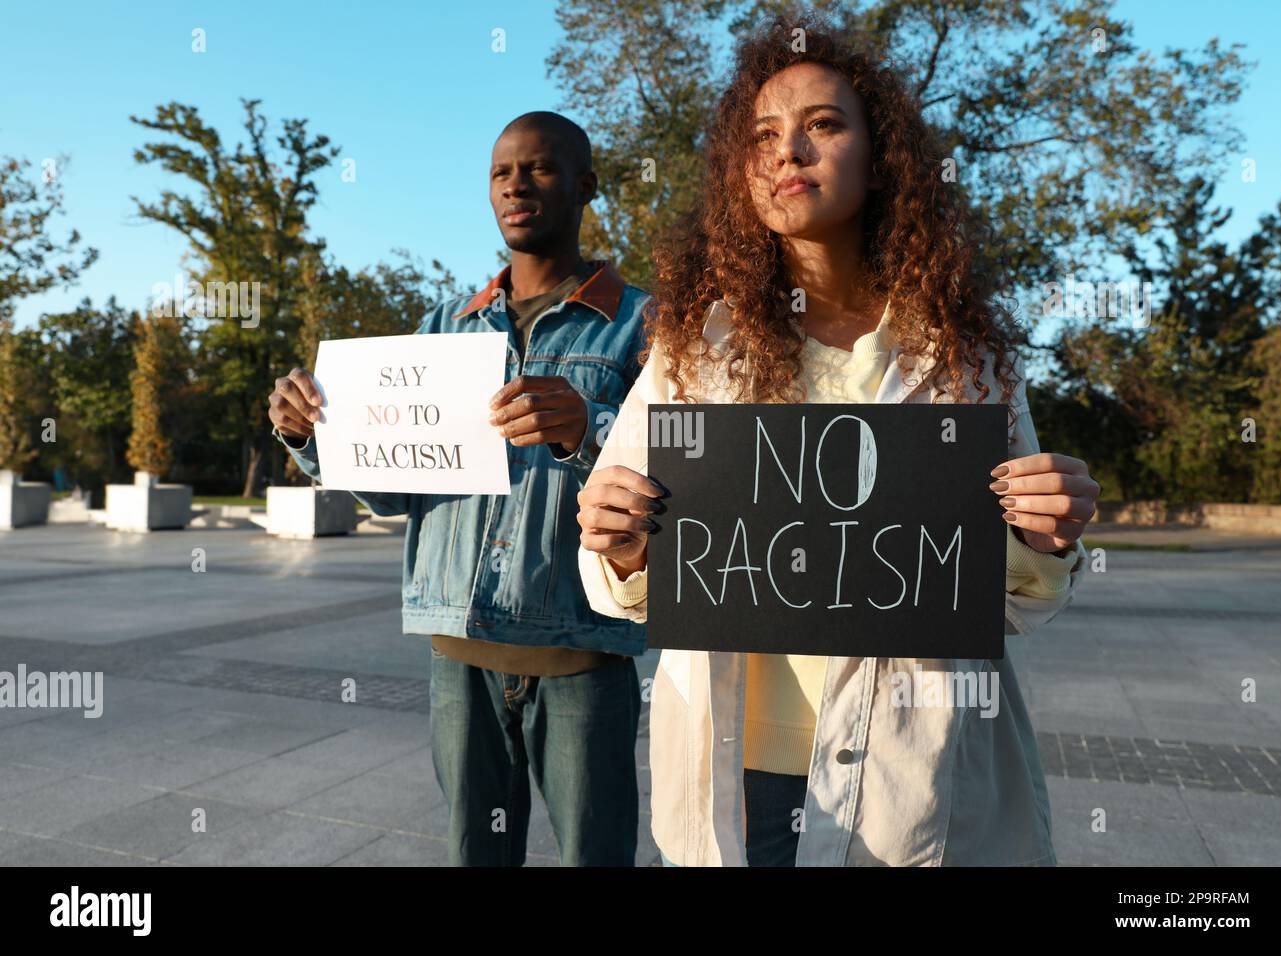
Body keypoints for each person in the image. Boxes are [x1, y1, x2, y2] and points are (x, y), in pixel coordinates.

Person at [575, 16, 1101, 866]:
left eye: (823, 124)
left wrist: (1042, 541)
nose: (789, 153)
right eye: (764, 136)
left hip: (909, 778)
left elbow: (1011, 604)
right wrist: (620, 545)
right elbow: (612, 581)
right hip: (737, 776)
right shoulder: (689, 352)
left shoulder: (967, 358)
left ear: (880, 153)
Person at [268, 112, 650, 866]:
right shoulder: (443, 329)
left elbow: (674, 481)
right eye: (501, 172)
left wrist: (591, 429)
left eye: (539, 168)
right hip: (458, 654)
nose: (515, 184)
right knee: (474, 853)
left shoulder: (639, 325)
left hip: (581, 656)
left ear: (585, 186)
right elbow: (394, 495)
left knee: (596, 854)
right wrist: (314, 436)